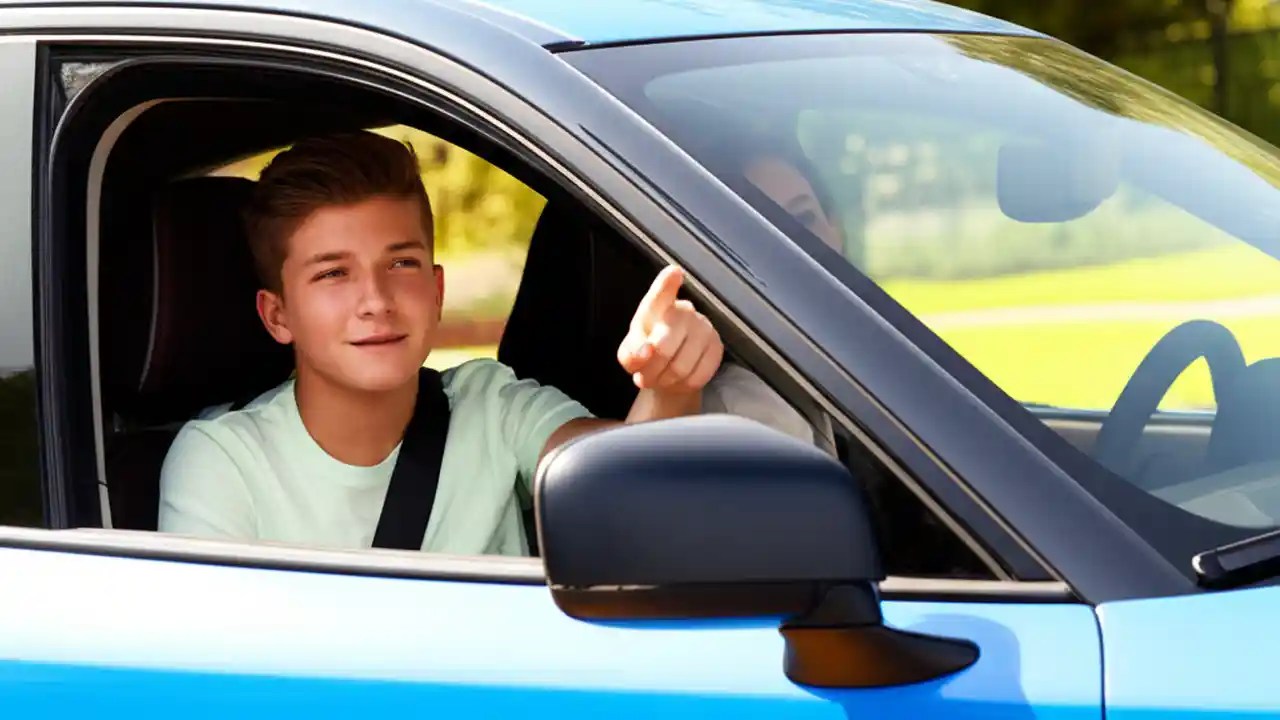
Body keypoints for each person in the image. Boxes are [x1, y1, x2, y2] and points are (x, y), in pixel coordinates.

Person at [157, 131, 724, 556]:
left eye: (400, 263)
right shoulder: (223, 462)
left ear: (436, 291)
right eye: (333, 273)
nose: (376, 299)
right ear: (277, 315)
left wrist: (669, 388)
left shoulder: (491, 406)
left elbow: (628, 495)